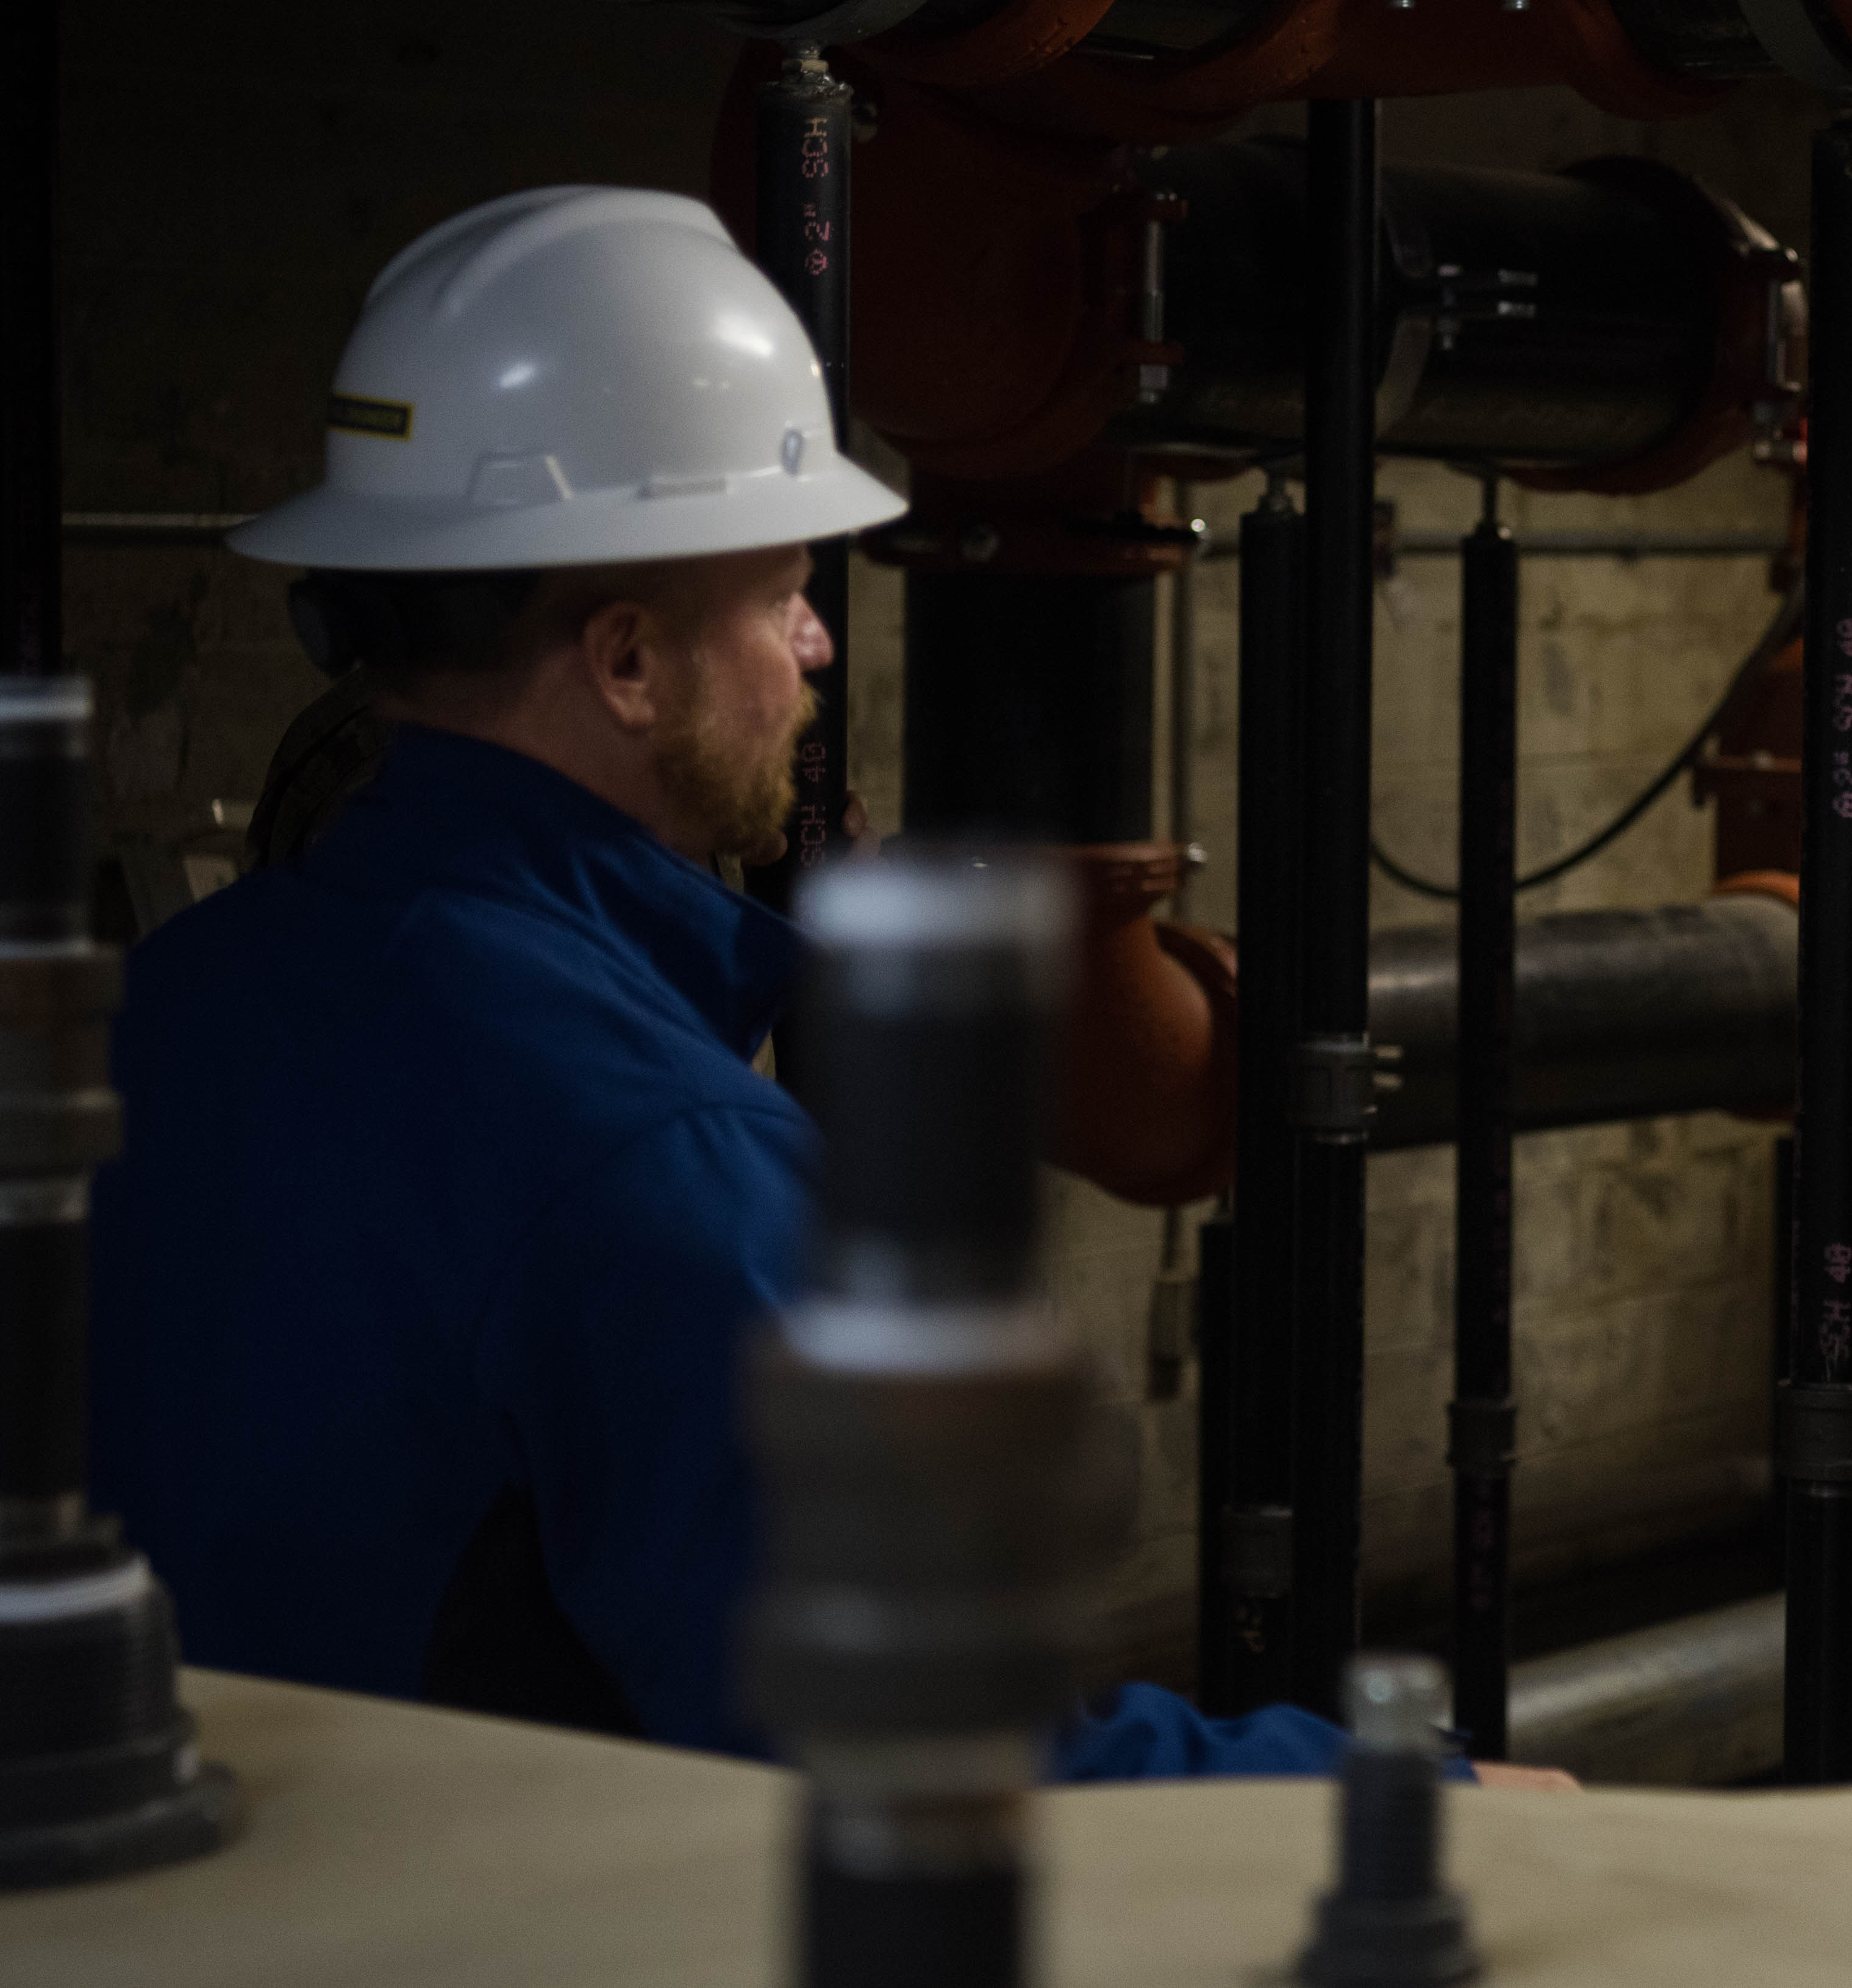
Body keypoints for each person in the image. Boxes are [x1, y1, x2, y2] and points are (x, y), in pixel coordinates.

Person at [88, 187, 1431, 1782]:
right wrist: (1418, 1794)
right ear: (628, 661)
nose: (814, 644)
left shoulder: (155, 1004)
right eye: (783, 587)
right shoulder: (662, 1159)